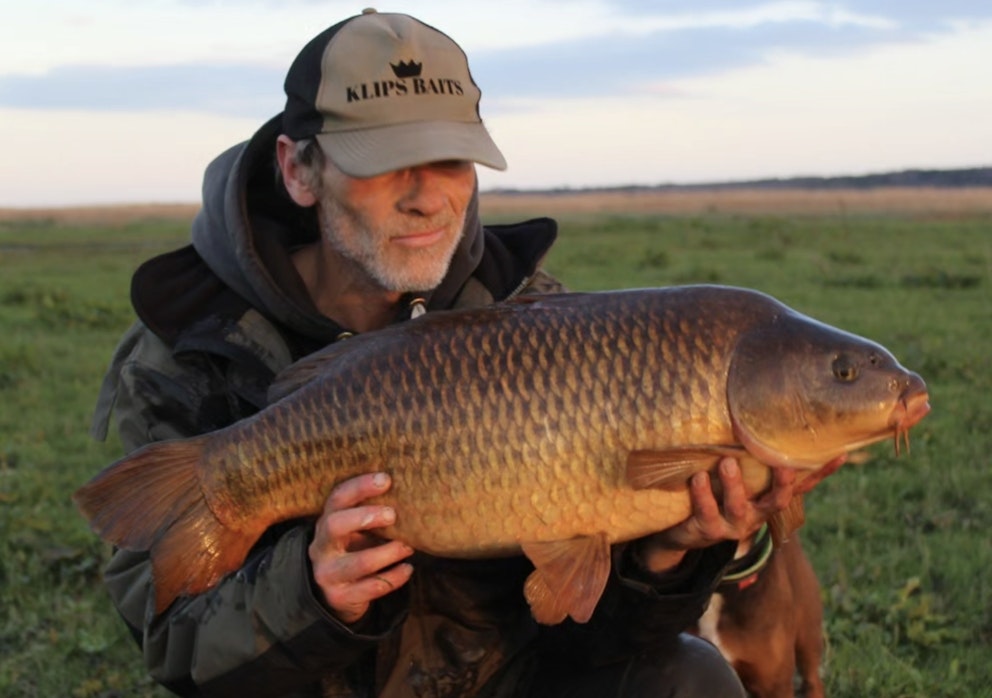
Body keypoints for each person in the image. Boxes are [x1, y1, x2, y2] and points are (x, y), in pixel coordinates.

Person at [89, 9, 836, 697]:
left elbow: (594, 641)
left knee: (687, 679)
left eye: (452, 161)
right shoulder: (190, 351)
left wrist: (667, 552)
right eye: (385, 162)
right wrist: (312, 592)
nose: (427, 197)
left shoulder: (533, 324)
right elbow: (171, 645)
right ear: (298, 170)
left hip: (499, 682)